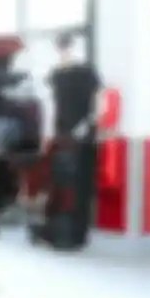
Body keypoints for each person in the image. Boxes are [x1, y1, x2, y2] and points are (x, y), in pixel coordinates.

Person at [31, 32, 101, 250]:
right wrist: (49, 134)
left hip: (82, 137)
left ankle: (76, 234)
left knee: (80, 184)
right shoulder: (56, 75)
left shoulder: (88, 73)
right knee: (61, 183)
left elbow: (99, 102)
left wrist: (87, 125)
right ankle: (58, 231)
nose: (64, 52)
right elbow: (52, 106)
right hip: (62, 135)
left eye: (67, 47)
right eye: (62, 47)